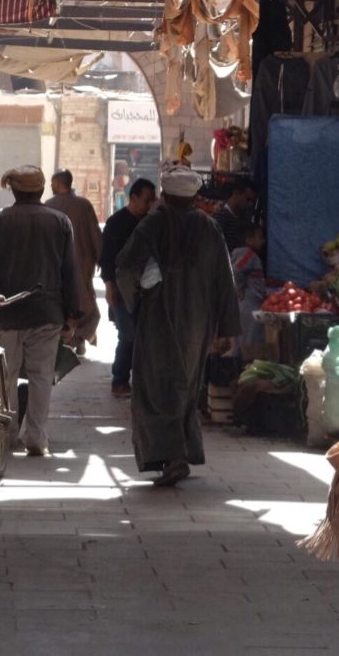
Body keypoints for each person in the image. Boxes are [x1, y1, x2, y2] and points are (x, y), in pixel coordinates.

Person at [116, 163, 239, 487]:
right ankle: (179, 452)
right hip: (199, 322)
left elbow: (126, 267)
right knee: (185, 383)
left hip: (158, 319)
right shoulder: (209, 227)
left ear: (166, 194)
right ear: (195, 195)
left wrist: (137, 300)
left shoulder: (152, 224)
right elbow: (224, 280)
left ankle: (172, 456)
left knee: (156, 386)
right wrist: (226, 328)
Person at [0, 165, 79, 458]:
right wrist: (72, 315)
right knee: (41, 375)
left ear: (14, 191)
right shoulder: (60, 222)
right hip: (48, 312)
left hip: (7, 311)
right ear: (41, 189)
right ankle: (35, 435)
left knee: (5, 377)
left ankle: (3, 433)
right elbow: (70, 272)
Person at [99, 178, 156, 398]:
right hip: (122, 290)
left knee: (141, 336)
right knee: (128, 335)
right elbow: (106, 259)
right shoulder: (116, 223)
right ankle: (120, 380)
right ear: (133, 198)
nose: (149, 205)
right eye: (146, 200)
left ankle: (136, 380)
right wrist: (109, 286)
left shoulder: (149, 223)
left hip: (145, 288)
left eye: (152, 201)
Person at [45, 169, 103, 355]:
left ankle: (70, 339)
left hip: (56, 265)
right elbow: (95, 234)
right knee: (82, 302)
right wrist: (100, 256)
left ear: (59, 183)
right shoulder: (84, 205)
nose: (50, 187)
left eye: (52, 183)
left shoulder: (49, 206)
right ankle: (78, 338)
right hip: (82, 264)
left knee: (61, 302)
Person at [230, 224, 267, 356]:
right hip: (248, 303)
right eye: (260, 238)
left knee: (245, 339)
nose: (263, 241)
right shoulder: (248, 254)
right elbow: (235, 271)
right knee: (249, 340)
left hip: (249, 302)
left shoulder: (248, 255)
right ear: (249, 240)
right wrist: (238, 288)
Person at [212, 177, 258, 252]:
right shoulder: (220, 218)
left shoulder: (246, 217)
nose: (250, 204)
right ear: (236, 193)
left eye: (252, 201)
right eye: (248, 199)